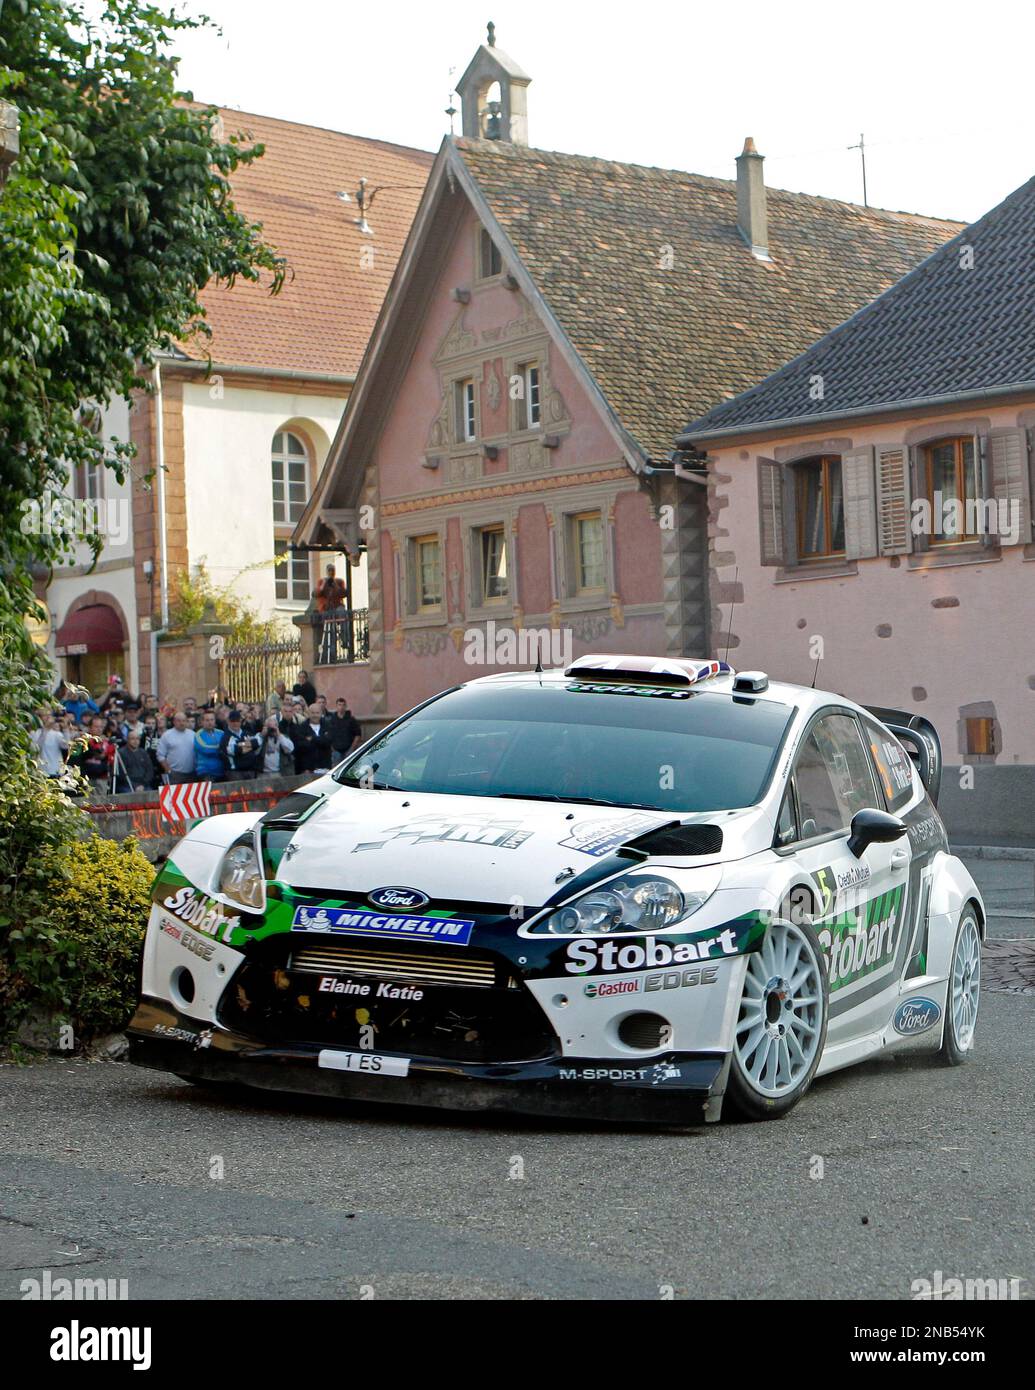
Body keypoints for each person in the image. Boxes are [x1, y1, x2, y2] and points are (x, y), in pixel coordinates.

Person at [71, 714, 115, 795]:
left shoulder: (107, 742)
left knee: (101, 802)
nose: (99, 729)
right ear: (90, 727)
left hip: (102, 778)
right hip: (87, 777)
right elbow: (77, 756)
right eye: (96, 726)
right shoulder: (84, 741)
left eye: (101, 727)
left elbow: (109, 759)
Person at [156, 711, 196, 784]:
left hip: (192, 774)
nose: (181, 723)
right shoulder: (167, 735)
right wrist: (168, 770)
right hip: (174, 775)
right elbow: (160, 755)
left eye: (184, 720)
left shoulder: (193, 734)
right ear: (174, 722)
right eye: (179, 721)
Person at [294, 702, 333, 775]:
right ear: (308, 713)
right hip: (308, 770)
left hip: (325, 767)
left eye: (317, 713)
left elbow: (328, 741)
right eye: (312, 713)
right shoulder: (302, 727)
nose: (315, 715)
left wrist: (312, 738)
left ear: (321, 713)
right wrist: (321, 739)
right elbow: (301, 746)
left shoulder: (327, 725)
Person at [223, 709, 262, 781]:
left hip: (251, 771)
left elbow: (258, 742)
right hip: (235, 773)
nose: (235, 723)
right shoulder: (226, 736)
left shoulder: (246, 733)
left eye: (237, 721)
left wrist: (241, 744)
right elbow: (233, 750)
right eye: (233, 721)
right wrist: (250, 746)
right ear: (228, 721)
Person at [31, 709, 70, 778]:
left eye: (49, 715)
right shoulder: (35, 733)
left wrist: (65, 729)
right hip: (41, 772)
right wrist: (45, 729)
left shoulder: (56, 734)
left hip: (56, 771)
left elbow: (66, 746)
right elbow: (36, 748)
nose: (48, 718)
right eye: (45, 715)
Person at [194, 710, 228, 783]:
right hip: (205, 772)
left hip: (222, 770)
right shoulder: (198, 734)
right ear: (202, 722)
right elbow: (205, 749)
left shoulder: (221, 733)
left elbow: (228, 747)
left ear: (215, 721)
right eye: (207, 720)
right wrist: (221, 749)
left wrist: (221, 749)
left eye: (212, 720)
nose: (210, 722)